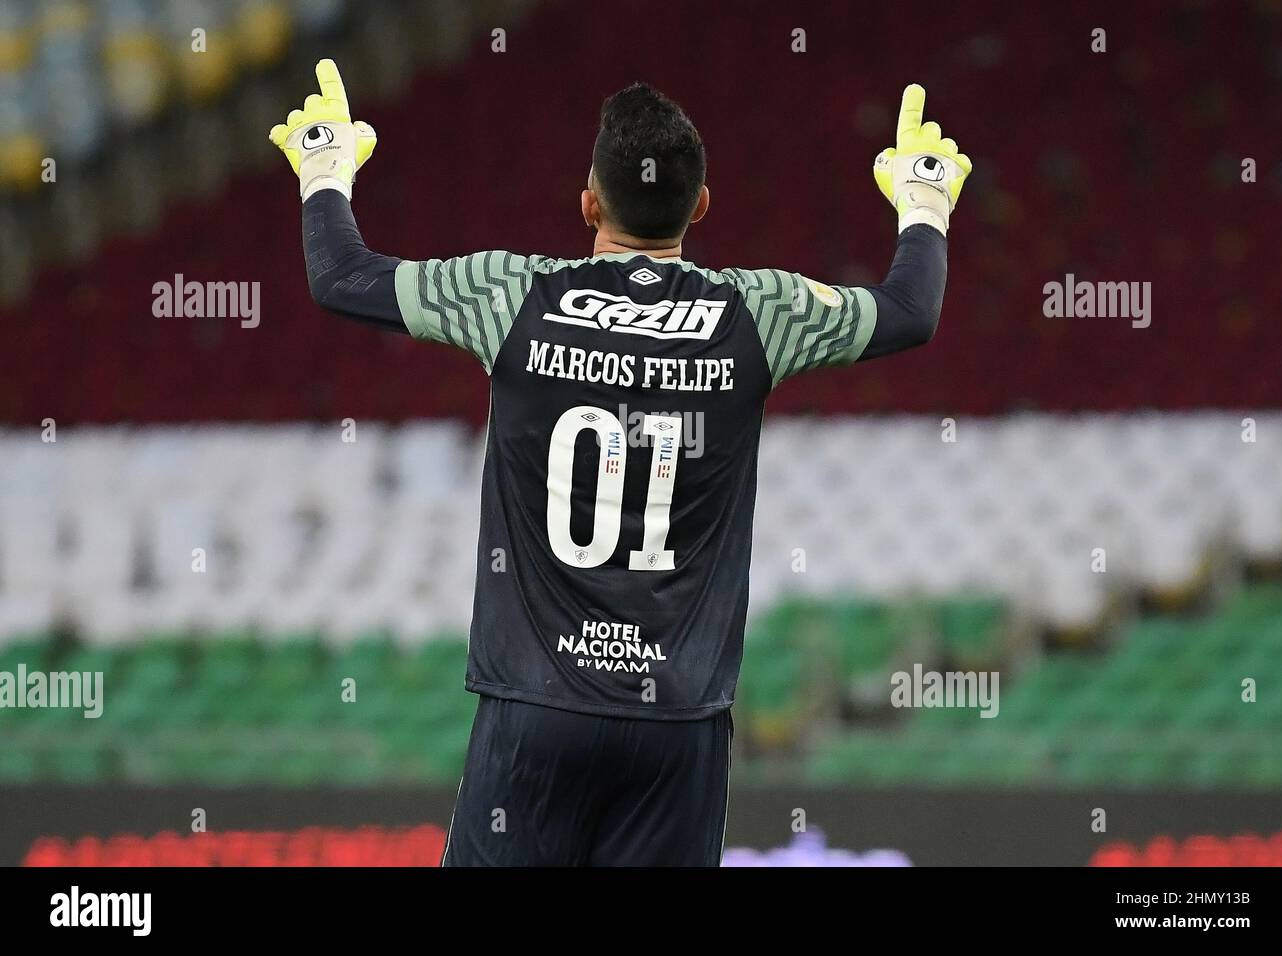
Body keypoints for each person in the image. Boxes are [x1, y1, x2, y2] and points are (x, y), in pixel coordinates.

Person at [270, 60, 971, 866]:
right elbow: (909, 312)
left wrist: (325, 168)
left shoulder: (509, 296)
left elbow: (341, 277)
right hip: (676, 727)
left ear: (588, 203)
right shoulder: (759, 314)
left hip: (536, 711)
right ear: (701, 206)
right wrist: (924, 200)